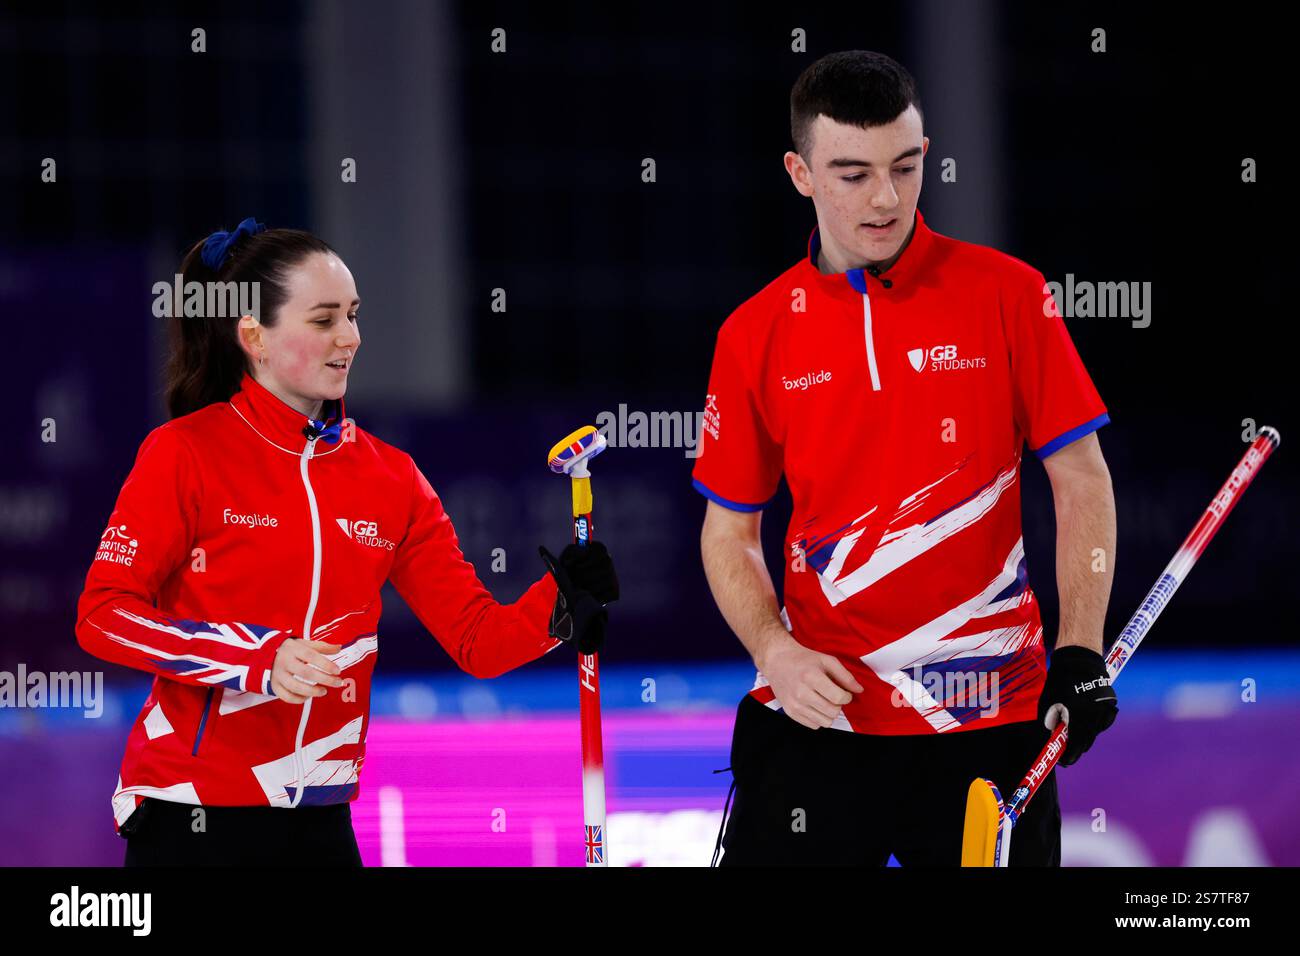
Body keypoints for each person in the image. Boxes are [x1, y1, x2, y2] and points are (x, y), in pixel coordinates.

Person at [75, 219, 619, 866]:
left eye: (354, 316)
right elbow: (103, 617)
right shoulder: (184, 453)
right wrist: (256, 657)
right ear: (254, 335)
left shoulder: (390, 477)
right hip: (195, 813)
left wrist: (561, 604)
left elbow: (478, 641)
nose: (350, 338)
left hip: (322, 817)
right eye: (325, 319)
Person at [694, 51, 1118, 866]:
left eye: (905, 165)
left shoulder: (1008, 293)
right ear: (800, 172)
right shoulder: (753, 333)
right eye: (852, 174)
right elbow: (728, 534)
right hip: (824, 719)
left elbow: (1081, 477)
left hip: (989, 724)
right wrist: (772, 650)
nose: (885, 198)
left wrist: (1080, 647)